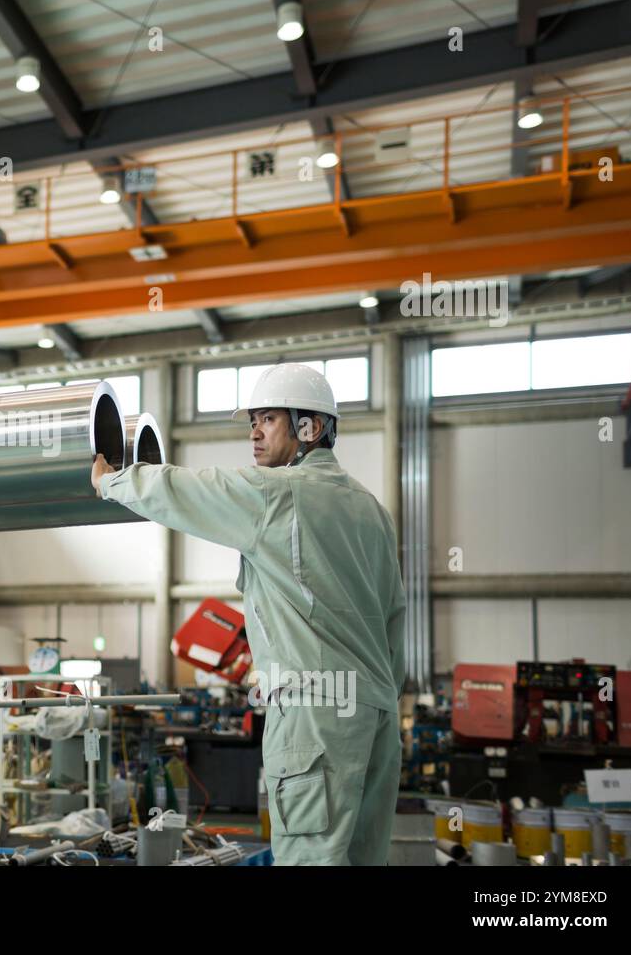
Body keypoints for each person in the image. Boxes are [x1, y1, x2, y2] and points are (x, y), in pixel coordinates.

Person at [90, 364, 406, 865]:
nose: (254, 432)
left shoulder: (277, 494)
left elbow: (191, 490)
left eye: (269, 419)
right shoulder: (373, 512)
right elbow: (394, 620)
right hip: (377, 718)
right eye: (251, 421)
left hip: (313, 716)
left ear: (311, 428)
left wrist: (116, 482)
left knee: (310, 859)